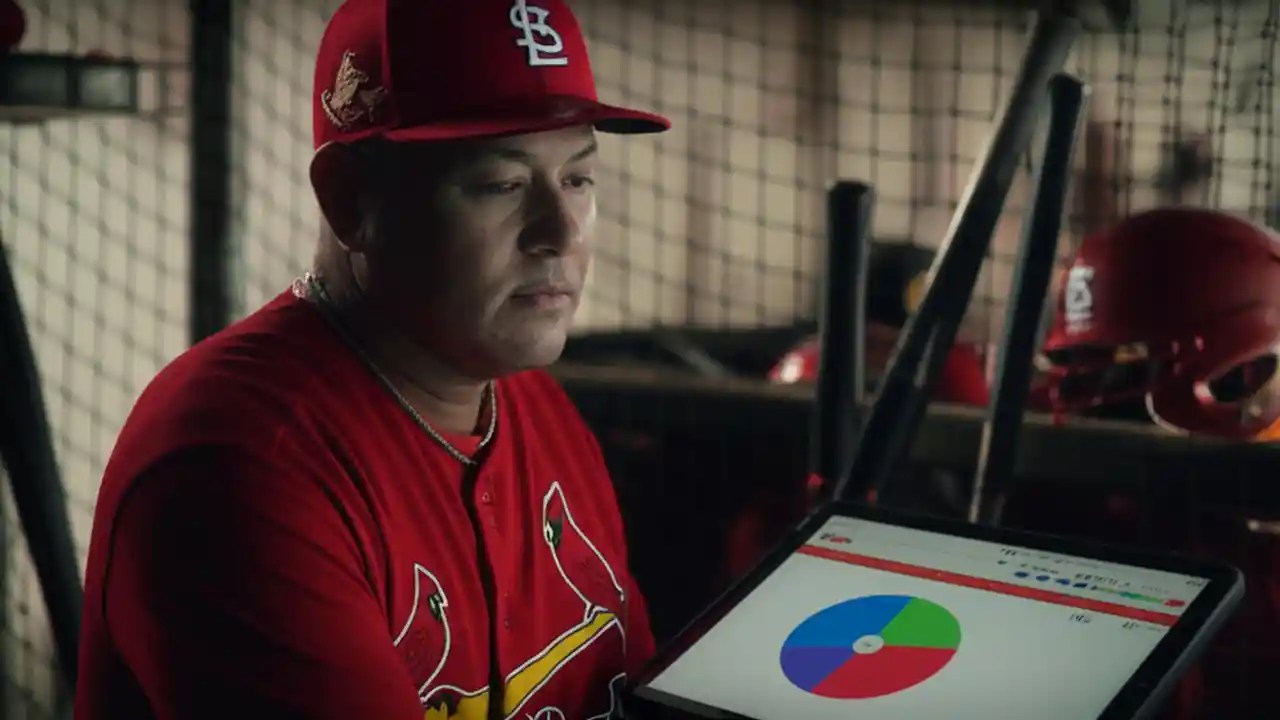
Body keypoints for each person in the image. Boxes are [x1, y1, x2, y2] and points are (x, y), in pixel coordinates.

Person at [74, 0, 669, 717]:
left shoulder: (533, 406)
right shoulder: (239, 465)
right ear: (350, 201)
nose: (560, 233)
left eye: (577, 178)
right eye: (502, 184)